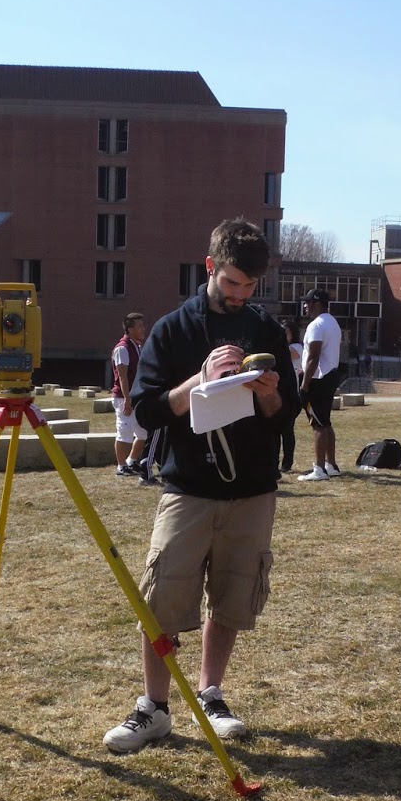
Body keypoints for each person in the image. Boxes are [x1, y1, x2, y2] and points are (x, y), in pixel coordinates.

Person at [103, 218, 299, 754]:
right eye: (233, 282)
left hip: (253, 488)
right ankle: (155, 707)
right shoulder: (171, 330)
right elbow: (145, 409)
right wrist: (198, 381)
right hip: (187, 486)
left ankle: (211, 696)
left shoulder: (264, 330)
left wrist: (268, 395)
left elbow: (286, 418)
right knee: (162, 595)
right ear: (210, 267)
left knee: (233, 595)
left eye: (250, 286)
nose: (241, 295)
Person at [296, 289, 342, 481]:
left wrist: (304, 386)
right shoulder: (333, 322)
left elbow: (313, 357)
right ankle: (331, 465)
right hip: (331, 376)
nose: (305, 306)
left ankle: (320, 469)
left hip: (317, 380)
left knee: (317, 424)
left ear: (317, 304)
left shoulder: (316, 325)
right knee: (326, 422)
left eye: (308, 303)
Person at [110, 312, 149, 477]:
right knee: (124, 432)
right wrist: (127, 399)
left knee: (143, 433)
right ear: (130, 329)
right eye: (139, 326)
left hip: (136, 397)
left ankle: (131, 461)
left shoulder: (137, 346)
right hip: (123, 398)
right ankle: (121, 466)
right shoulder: (122, 348)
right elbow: (123, 377)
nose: (143, 329)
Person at [279, 317, 302, 474]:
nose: (282, 335)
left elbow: (284, 354)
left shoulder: (296, 348)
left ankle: (287, 463)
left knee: (287, 430)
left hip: (291, 394)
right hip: (279, 392)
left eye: (284, 332)